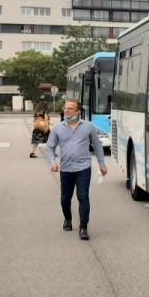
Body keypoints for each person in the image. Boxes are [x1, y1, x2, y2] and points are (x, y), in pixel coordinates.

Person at [46, 100, 108, 241]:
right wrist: (52, 162)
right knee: (65, 199)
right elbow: (50, 147)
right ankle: (68, 218)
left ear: (78, 112)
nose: (66, 110)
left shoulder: (88, 126)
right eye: (65, 108)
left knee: (83, 197)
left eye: (70, 108)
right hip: (66, 168)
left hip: (83, 168)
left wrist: (102, 164)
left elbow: (97, 145)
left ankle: (83, 228)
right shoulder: (58, 128)